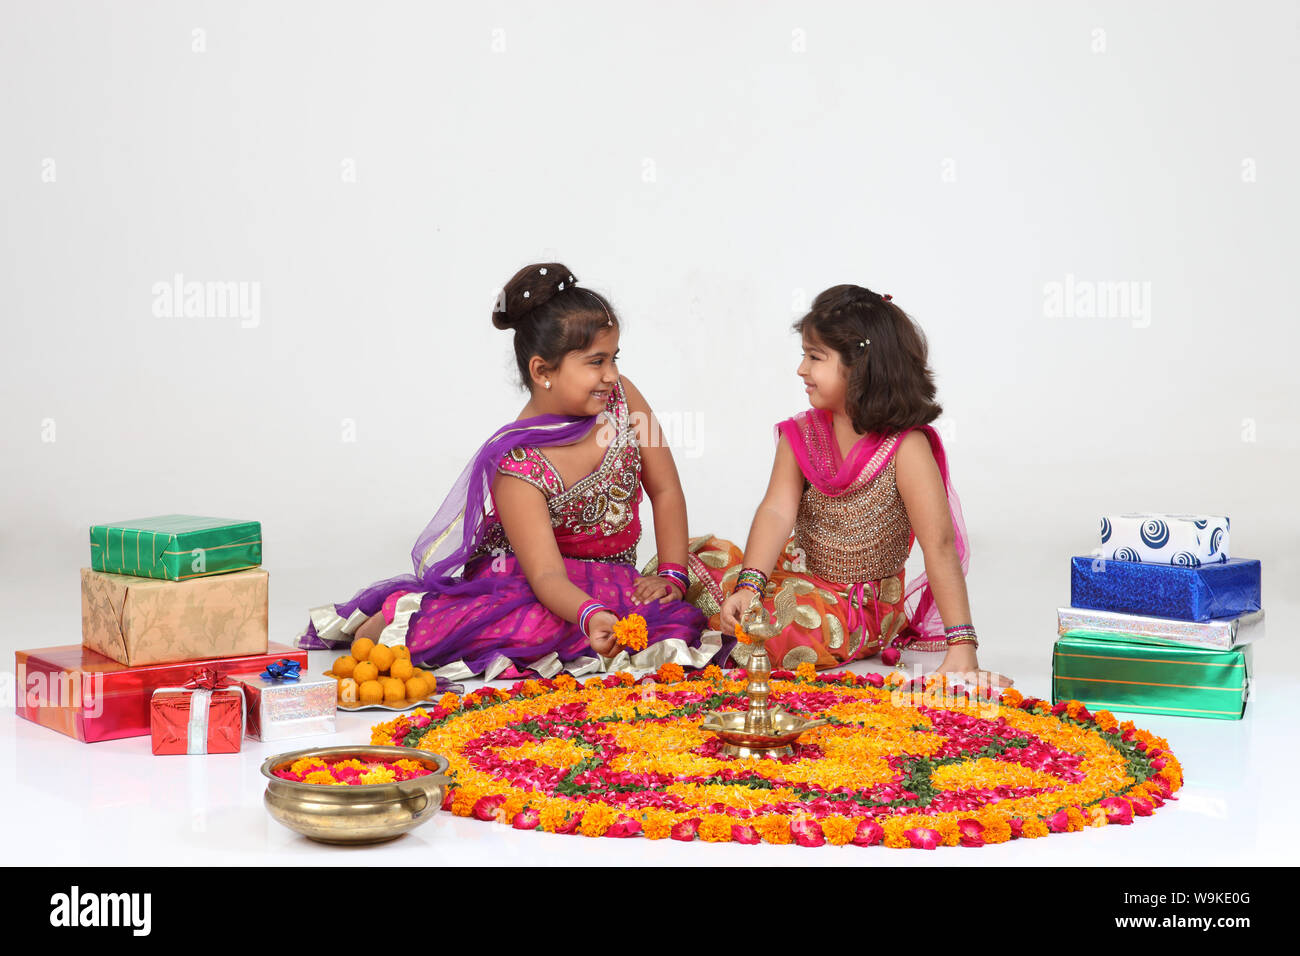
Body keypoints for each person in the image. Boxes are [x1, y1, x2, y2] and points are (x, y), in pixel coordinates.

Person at [298, 262, 721, 681]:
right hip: (534, 582)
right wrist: (588, 612)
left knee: (669, 620)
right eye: (596, 362)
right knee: (533, 630)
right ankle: (405, 620)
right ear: (542, 372)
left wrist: (671, 574)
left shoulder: (624, 400)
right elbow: (546, 575)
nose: (610, 375)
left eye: (614, 358)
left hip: (619, 578)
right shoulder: (518, 462)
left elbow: (665, 491)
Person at [660, 284, 1013, 691]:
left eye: (815, 357)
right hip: (796, 575)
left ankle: (719, 632)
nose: (801, 369)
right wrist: (749, 584)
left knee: (773, 627)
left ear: (861, 366)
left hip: (853, 609)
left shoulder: (905, 447)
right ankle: (726, 613)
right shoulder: (803, 432)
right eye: (804, 355)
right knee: (686, 560)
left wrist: (963, 647)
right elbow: (776, 511)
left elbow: (939, 544)